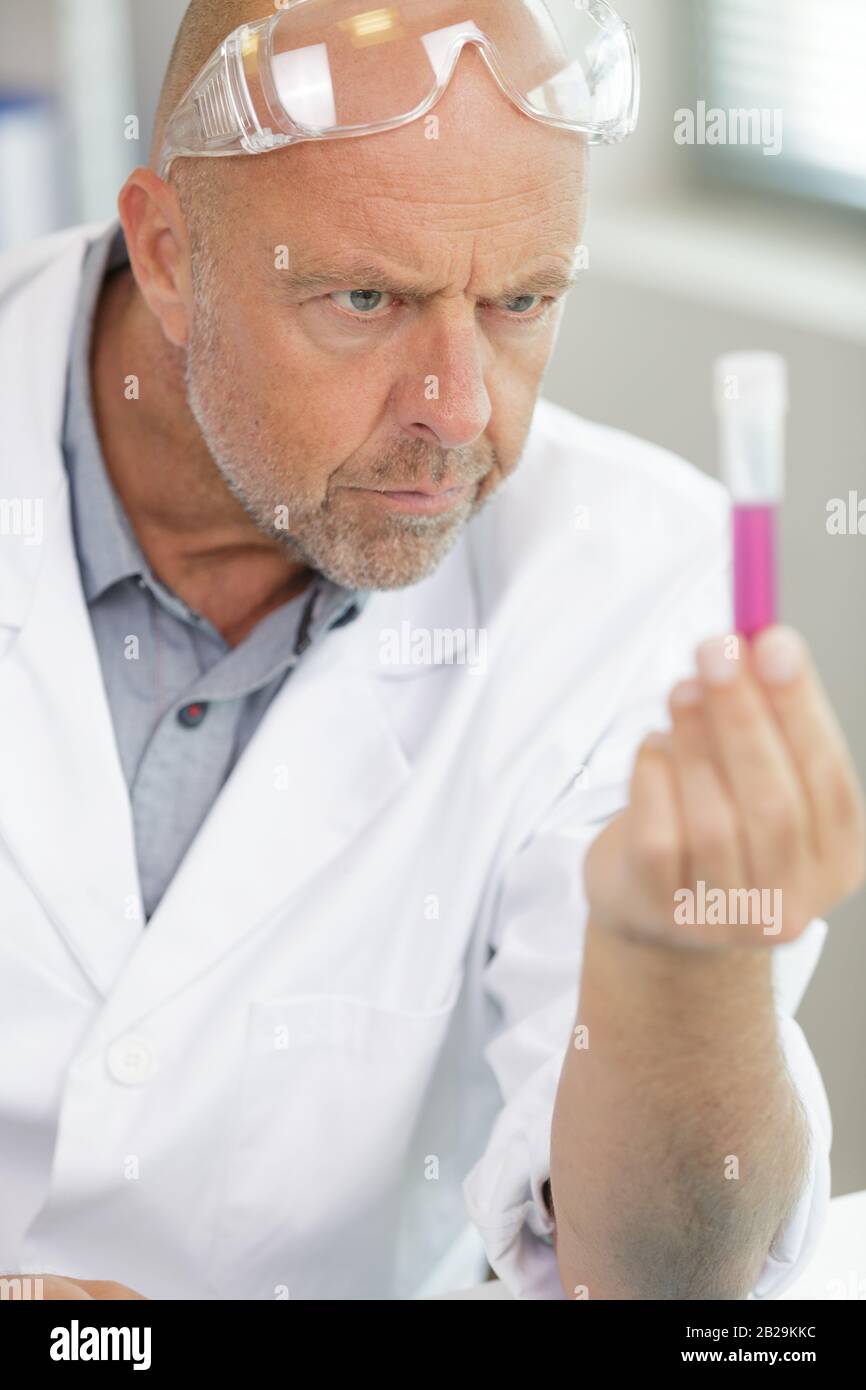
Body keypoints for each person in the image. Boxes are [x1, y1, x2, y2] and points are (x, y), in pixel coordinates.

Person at [0, 0, 862, 1301]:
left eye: (519, 301)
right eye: (366, 298)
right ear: (169, 254)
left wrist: (685, 964)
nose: (460, 414)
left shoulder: (632, 584)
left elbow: (658, 1284)